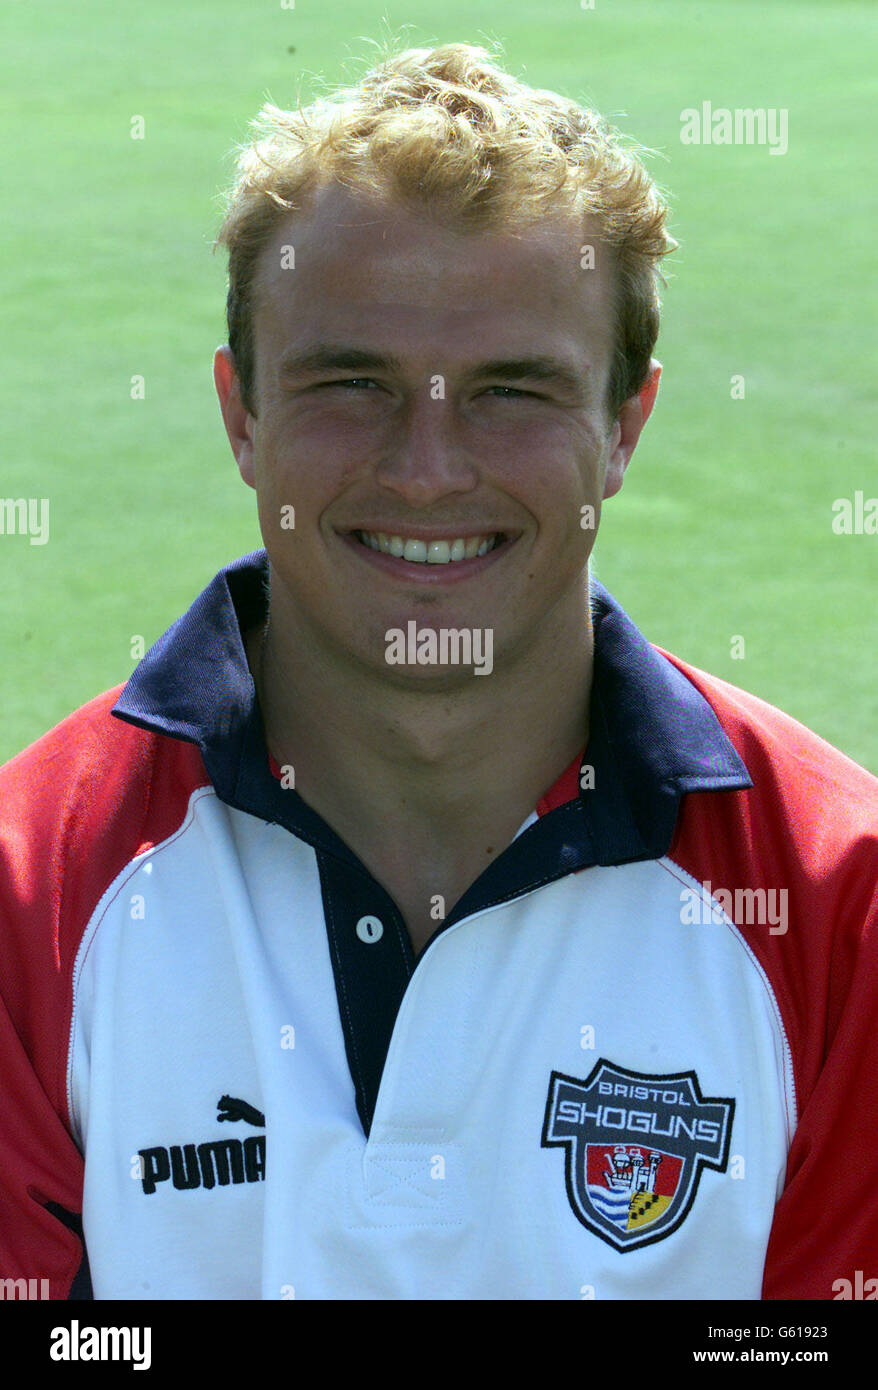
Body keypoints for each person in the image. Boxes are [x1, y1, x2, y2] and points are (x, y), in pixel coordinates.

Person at [1, 41, 875, 1302]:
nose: (425, 470)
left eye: (509, 391)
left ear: (624, 425)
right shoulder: (33, 889)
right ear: (238, 413)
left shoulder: (834, 903)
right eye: (349, 383)